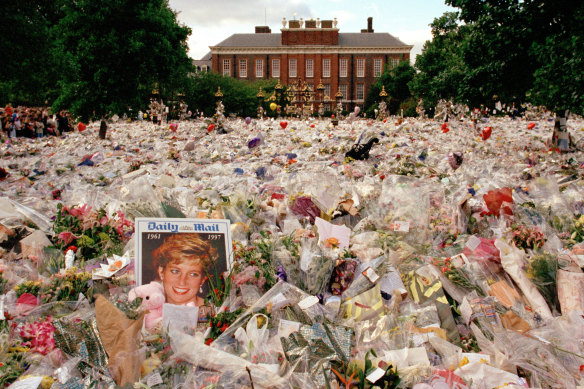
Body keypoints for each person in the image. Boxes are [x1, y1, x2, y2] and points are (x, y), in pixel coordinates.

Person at [152, 233, 216, 308]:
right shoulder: (146, 310)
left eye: (193, 274)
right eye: (175, 271)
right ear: (161, 271)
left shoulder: (213, 313)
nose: (182, 282)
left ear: (202, 279)